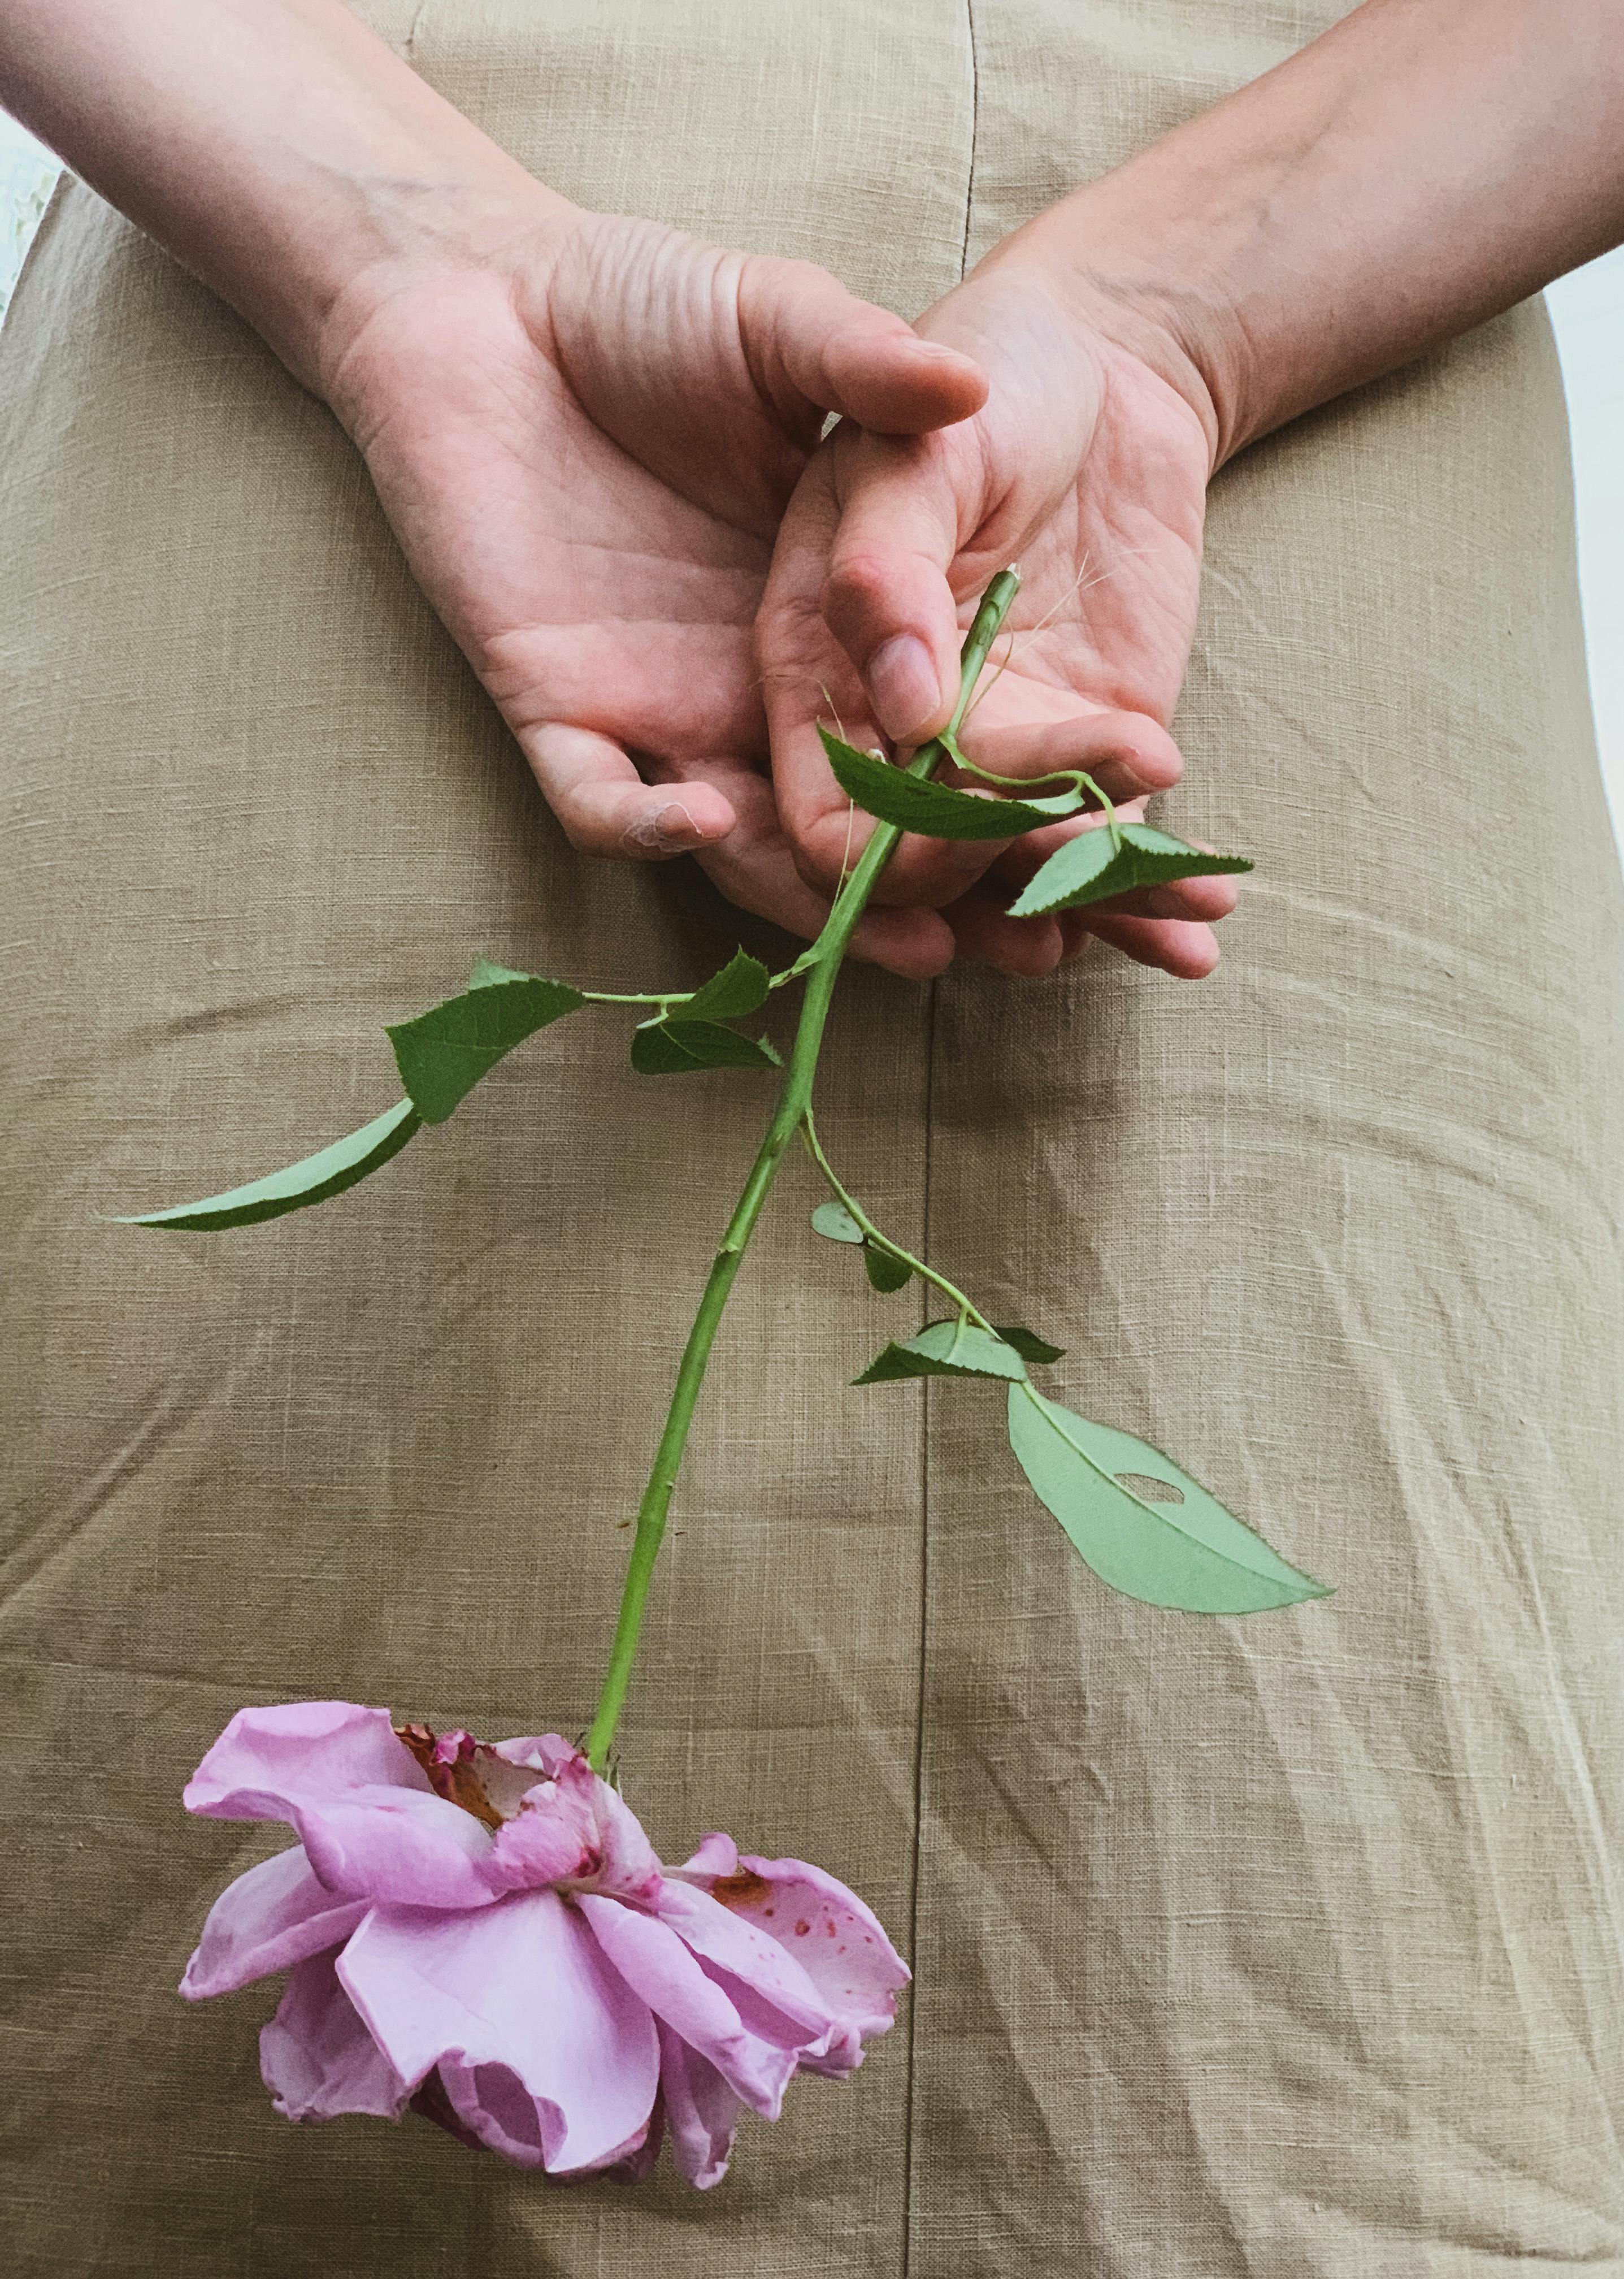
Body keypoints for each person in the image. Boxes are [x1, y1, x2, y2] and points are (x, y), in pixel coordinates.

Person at [2, 0, 1620, 2269]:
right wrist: (400, 268)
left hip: (1292, 399)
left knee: (1272, 2006)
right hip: (320, 355)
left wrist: (1180, 320)